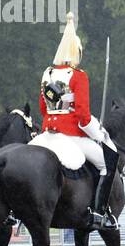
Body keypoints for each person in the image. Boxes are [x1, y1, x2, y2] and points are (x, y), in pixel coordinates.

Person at [39, 12, 118, 230]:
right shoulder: (78, 75)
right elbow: (83, 117)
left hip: (47, 133)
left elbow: (41, 107)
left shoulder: (47, 74)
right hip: (71, 135)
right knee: (107, 163)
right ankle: (100, 212)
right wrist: (99, 133)